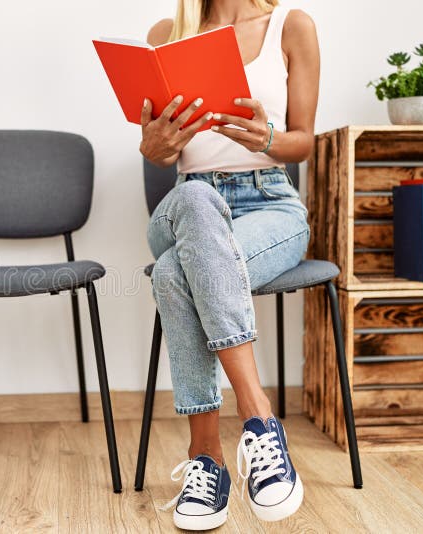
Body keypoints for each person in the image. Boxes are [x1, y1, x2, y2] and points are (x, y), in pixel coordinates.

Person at [140, 0, 320, 529]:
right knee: (196, 203)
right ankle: (259, 419)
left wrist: (267, 139)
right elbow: (158, 151)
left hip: (270, 204)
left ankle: (207, 460)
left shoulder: (292, 25)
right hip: (187, 204)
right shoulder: (166, 33)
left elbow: (303, 141)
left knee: (176, 274)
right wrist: (155, 146)